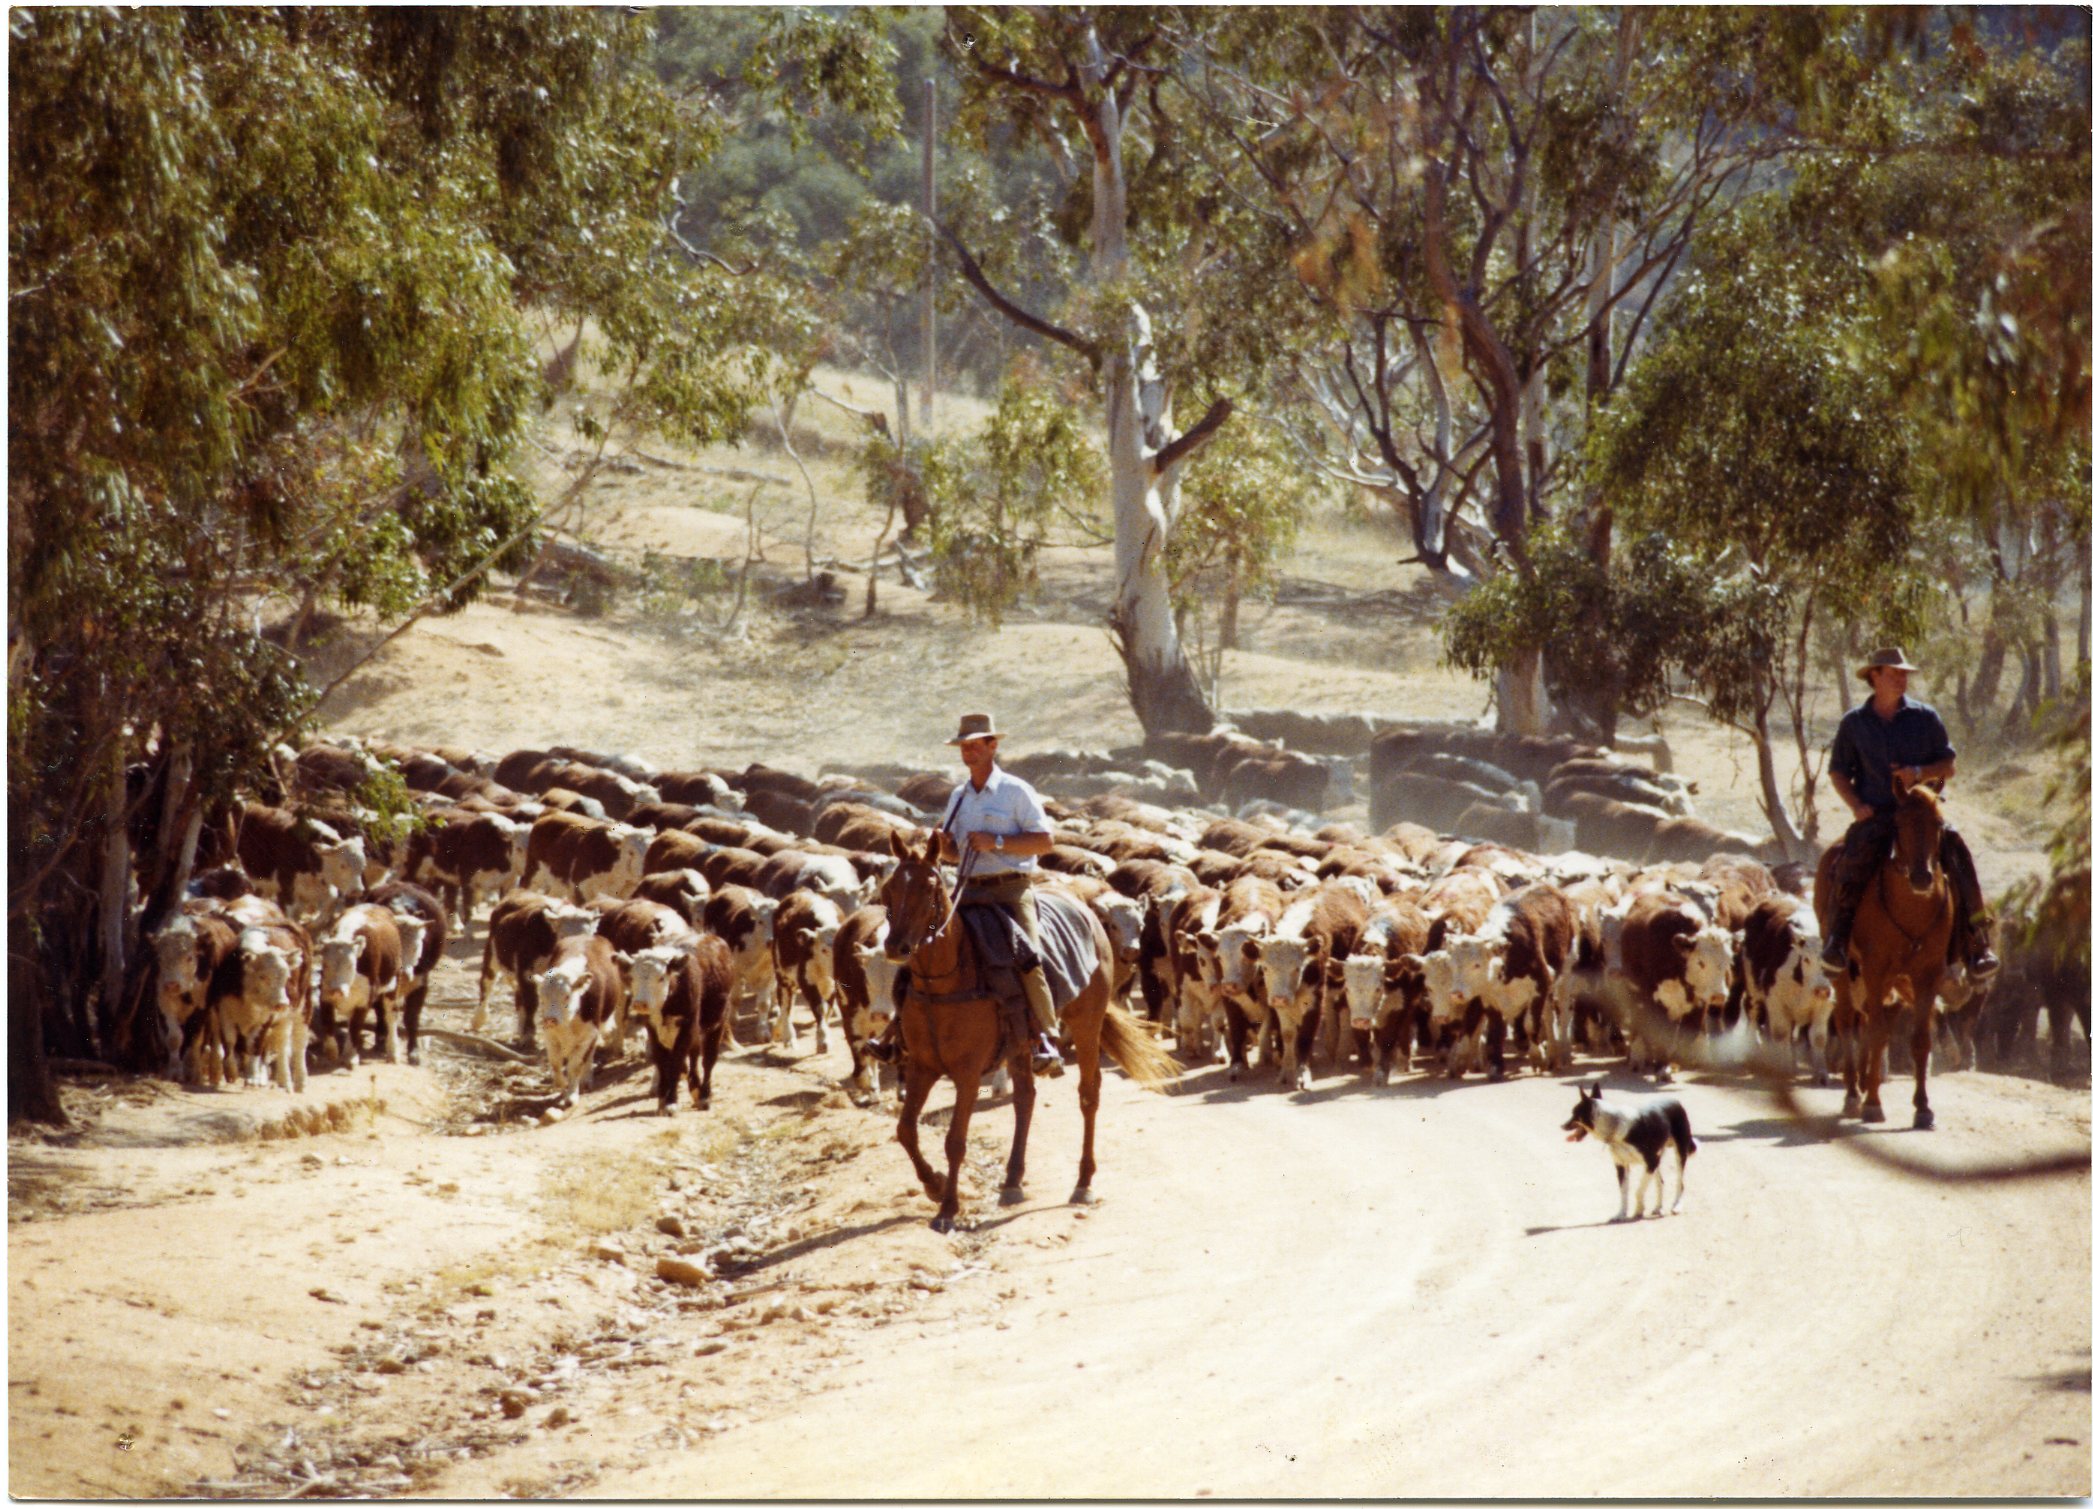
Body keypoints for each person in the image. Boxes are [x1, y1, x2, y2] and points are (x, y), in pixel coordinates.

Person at [870, 712, 1065, 1077]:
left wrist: (998, 841)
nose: (969, 752)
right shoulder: (959, 796)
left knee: (1027, 958)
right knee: (922, 951)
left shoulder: (1016, 791)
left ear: (993, 746)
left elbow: (1045, 841)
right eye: (964, 746)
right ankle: (896, 1033)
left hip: (1010, 890)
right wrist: (942, 847)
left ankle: (1046, 1038)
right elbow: (956, 853)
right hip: (968, 890)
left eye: (976, 745)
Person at [1820, 646, 1998, 982]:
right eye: (1894, 673)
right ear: (1875, 676)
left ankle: (1978, 945)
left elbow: (1949, 765)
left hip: (1921, 814)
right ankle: (1837, 941)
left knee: (1959, 856)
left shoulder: (1925, 717)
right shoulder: (1854, 723)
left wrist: (1918, 772)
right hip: (1876, 815)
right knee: (1849, 865)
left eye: (1904, 674)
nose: (1902, 679)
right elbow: (1838, 772)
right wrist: (1856, 805)